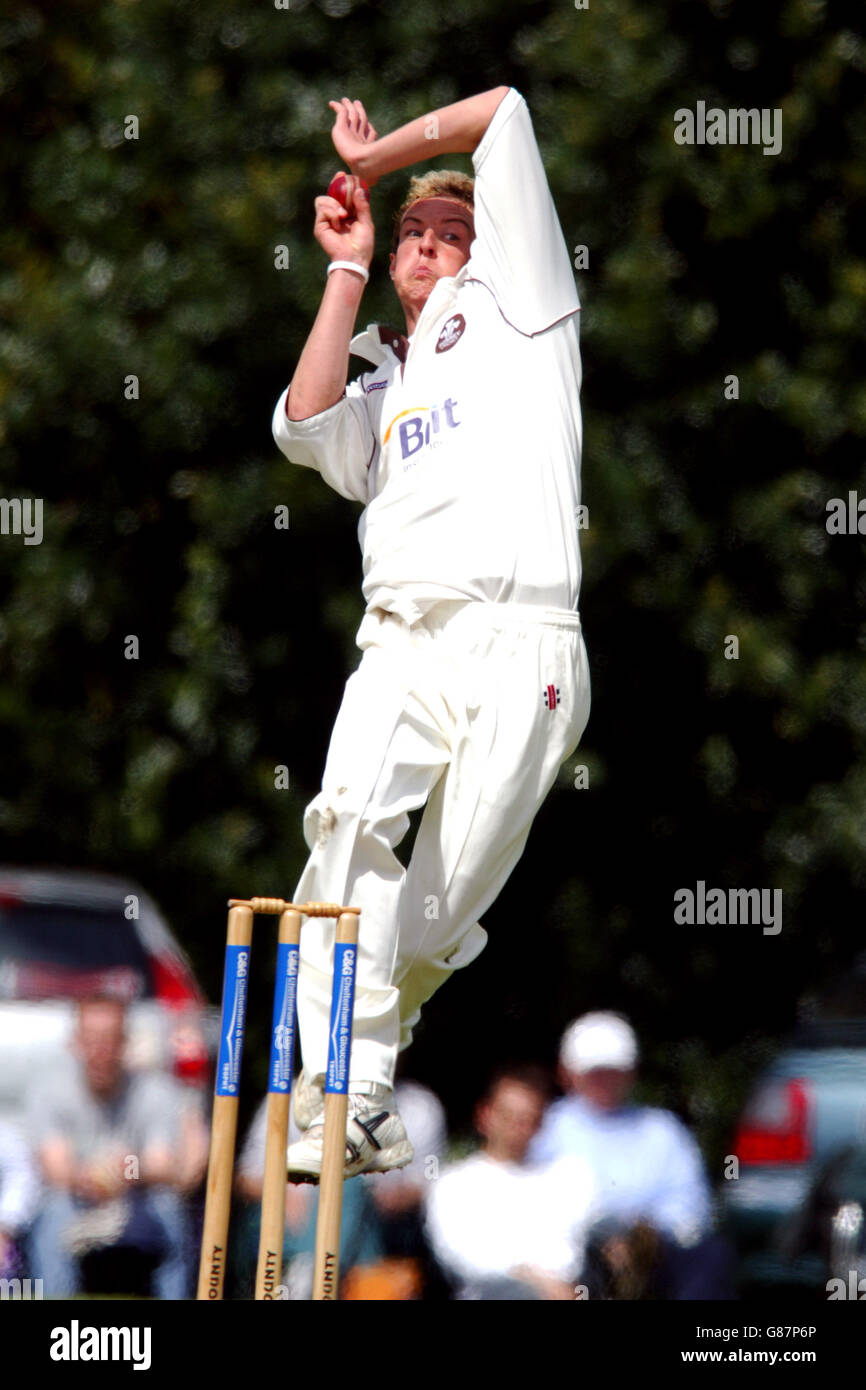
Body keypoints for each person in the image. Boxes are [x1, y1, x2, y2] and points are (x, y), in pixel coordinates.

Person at [273, 85, 590, 1182]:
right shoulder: (388, 382)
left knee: (435, 910)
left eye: (451, 230)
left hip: (525, 642)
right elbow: (307, 422)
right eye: (415, 230)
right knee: (345, 819)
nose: (430, 243)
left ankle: (371, 1063)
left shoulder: (522, 307)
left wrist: (372, 160)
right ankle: (352, 1094)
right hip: (403, 636)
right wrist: (347, 262)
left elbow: (498, 109)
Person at [529, 1012, 735, 1299]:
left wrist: (642, 1234)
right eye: (594, 1071)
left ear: (632, 1072)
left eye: (614, 1071)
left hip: (652, 1248)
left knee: (709, 1256)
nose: (605, 1080)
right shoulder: (547, 1126)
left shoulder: (662, 1129)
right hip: (579, 1246)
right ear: (568, 1073)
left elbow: (691, 1205)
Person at [27, 997, 206, 1297]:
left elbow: (161, 1164)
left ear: (124, 1043)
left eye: (109, 1040)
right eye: (92, 1039)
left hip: (137, 1199)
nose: (100, 1050)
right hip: (76, 1197)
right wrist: (88, 1177)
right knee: (52, 1213)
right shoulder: (49, 1092)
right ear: (76, 1042)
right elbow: (55, 1167)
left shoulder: (154, 1092)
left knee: (170, 1210)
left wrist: (129, 1170)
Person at [424, 1067, 595, 1299]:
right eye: (509, 1117)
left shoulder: (565, 1176)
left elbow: (572, 1251)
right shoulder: (454, 1184)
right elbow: (464, 1259)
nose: (519, 1128)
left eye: (529, 1119)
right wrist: (535, 1279)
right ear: (484, 1115)